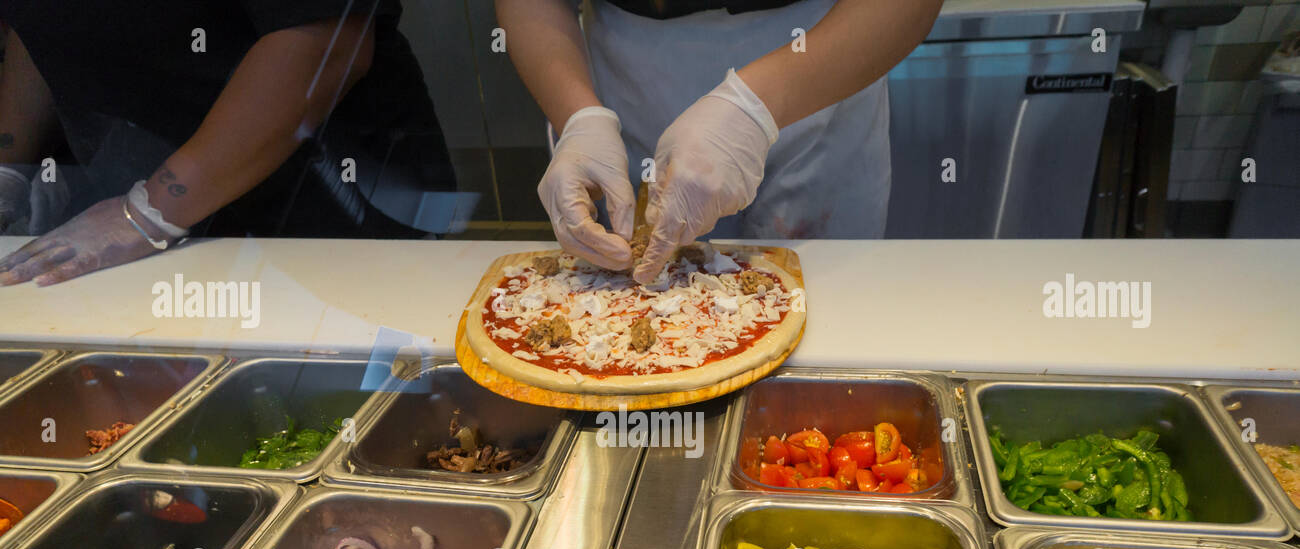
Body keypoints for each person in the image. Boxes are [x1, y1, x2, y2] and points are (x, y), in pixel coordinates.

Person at [0, 0, 453, 286]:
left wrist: (148, 214)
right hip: (132, 226)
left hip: (326, 200)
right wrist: (8, 171)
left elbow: (327, 40)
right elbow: (41, 27)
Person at [498, 0, 941, 284]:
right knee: (638, 303)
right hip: (626, 78)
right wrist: (579, 116)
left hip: (824, 61)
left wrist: (750, 108)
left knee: (829, 322)